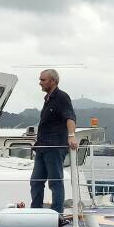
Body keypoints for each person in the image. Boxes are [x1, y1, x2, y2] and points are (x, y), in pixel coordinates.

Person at [30, 69, 78, 215]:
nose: (40, 83)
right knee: (36, 181)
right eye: (40, 79)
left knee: (55, 181)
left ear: (53, 81)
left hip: (55, 146)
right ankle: (35, 211)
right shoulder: (48, 99)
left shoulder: (62, 97)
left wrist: (71, 136)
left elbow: (70, 117)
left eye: (43, 80)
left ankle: (57, 213)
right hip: (42, 147)